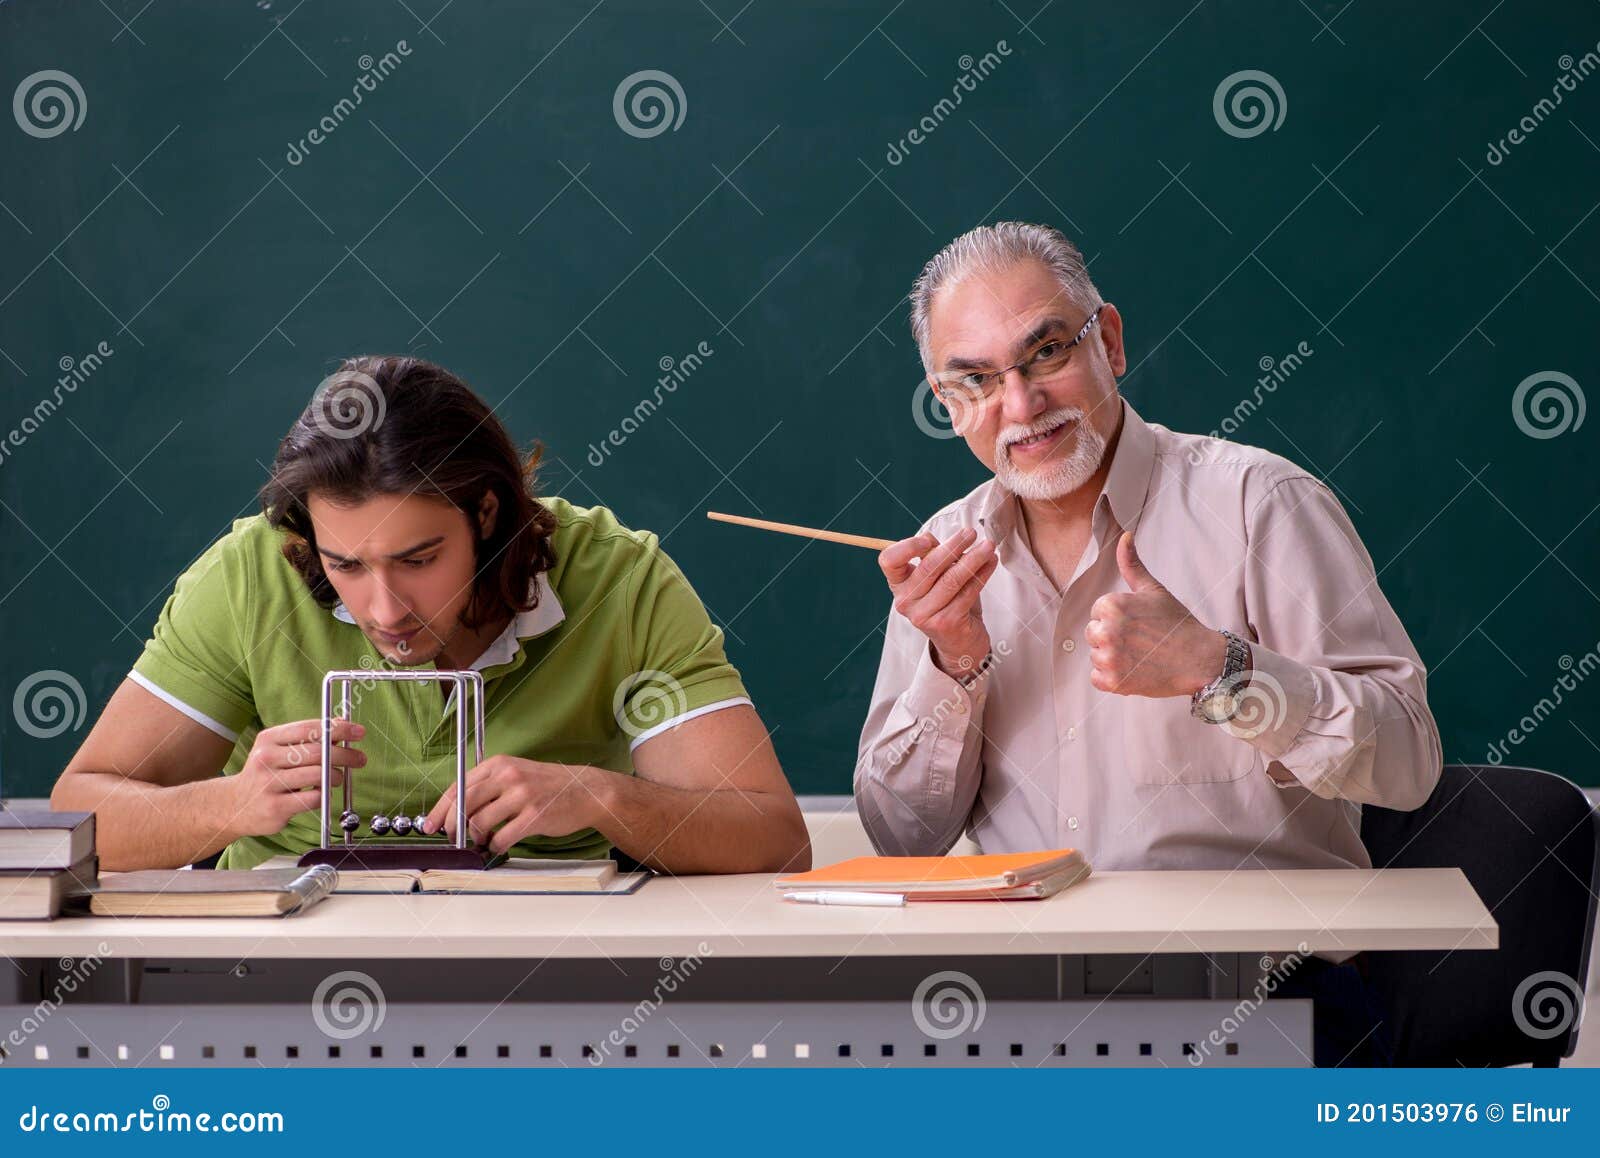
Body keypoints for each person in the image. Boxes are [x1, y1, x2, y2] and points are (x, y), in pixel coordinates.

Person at [53, 355, 810, 875]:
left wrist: (595, 795)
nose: (385, 611)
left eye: (418, 560)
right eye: (344, 565)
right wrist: (226, 804)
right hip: (283, 971)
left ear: (486, 511)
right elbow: (81, 816)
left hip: (557, 971)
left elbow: (772, 839)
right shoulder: (251, 575)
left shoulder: (617, 579)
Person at [856, 221, 1441, 872]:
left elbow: (1409, 761)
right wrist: (955, 666)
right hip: (1024, 970)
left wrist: (1224, 672)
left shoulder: (1260, 504)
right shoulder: (941, 557)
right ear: (947, 403)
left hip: (1254, 968)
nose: (1020, 405)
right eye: (976, 381)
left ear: (1108, 342)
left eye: (1047, 352)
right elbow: (903, 843)